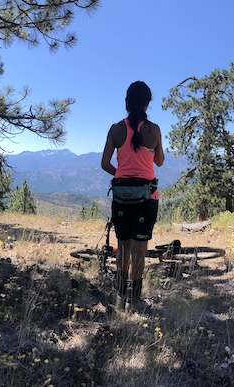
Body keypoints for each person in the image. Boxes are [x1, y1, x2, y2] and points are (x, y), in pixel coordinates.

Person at [101, 81, 165, 310]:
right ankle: (135, 299)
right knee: (140, 248)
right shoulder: (154, 129)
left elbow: (105, 163)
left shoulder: (116, 129)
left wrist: (122, 174)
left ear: (127, 102)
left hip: (122, 196)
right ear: (147, 103)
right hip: (147, 196)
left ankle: (120, 294)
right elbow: (159, 161)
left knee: (123, 245)